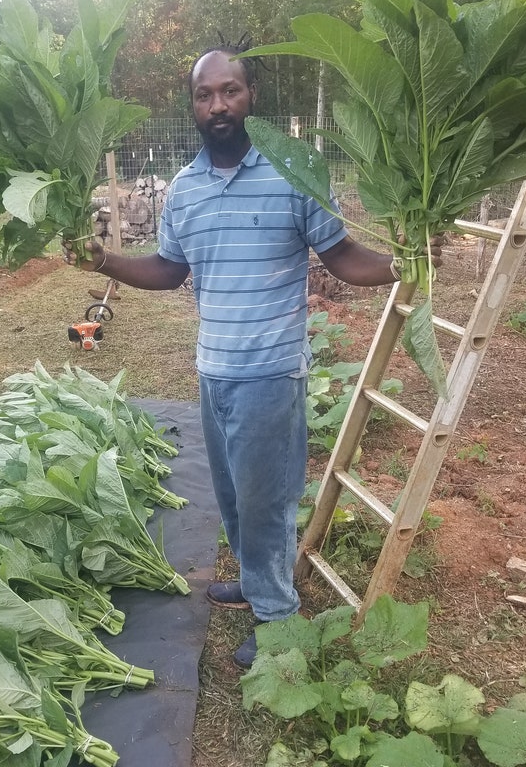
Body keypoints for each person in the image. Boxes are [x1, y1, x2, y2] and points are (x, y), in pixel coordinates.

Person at [65, 45, 442, 668]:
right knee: (234, 494)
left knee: (266, 500)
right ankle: (253, 580)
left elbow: (341, 256)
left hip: (270, 369)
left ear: (251, 97)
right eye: (204, 94)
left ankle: (277, 618)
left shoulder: (294, 173)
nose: (218, 105)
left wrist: (402, 265)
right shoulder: (184, 189)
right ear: (193, 105)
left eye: (230, 90)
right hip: (213, 368)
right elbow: (169, 269)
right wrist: (104, 261)